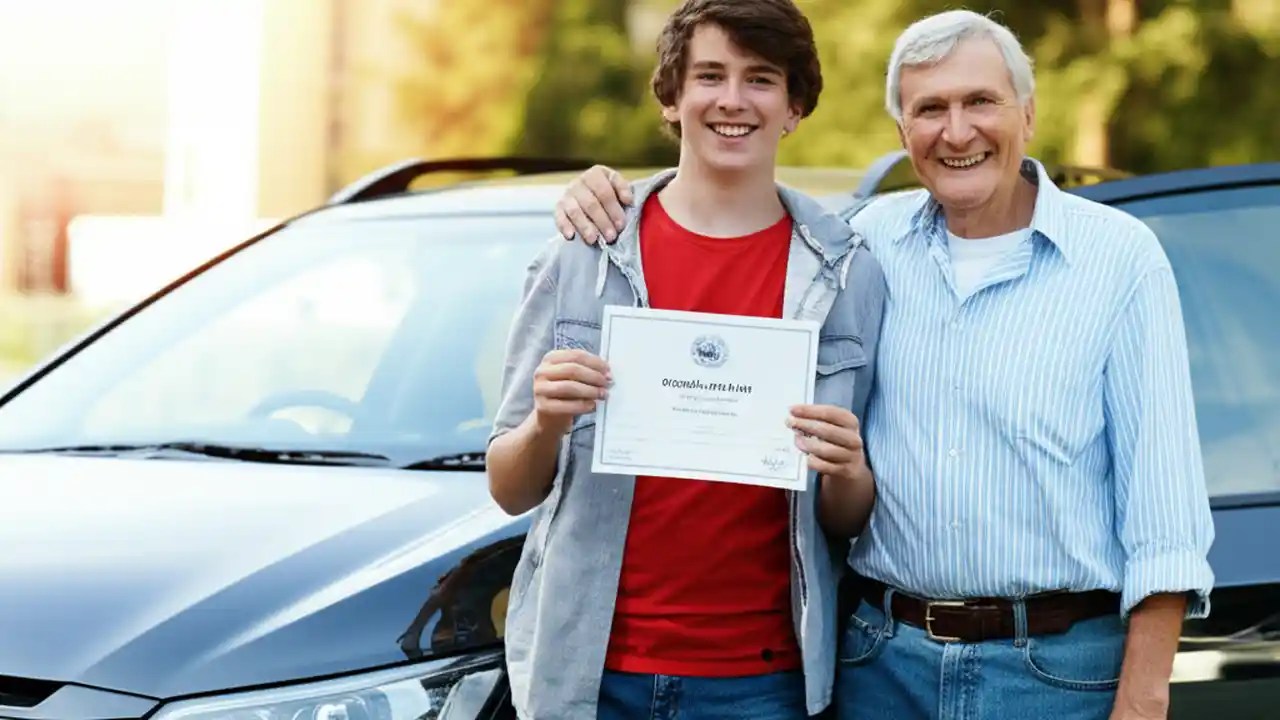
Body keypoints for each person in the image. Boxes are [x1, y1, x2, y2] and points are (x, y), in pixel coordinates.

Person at [550, 10, 1214, 720]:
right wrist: (607, 191)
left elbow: (1163, 514)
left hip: (1057, 676)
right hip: (880, 667)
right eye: (929, 109)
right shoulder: (859, 249)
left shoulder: (1121, 259)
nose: (956, 132)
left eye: (979, 101)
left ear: (1027, 113)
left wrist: (1143, 699)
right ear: (903, 133)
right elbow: (728, 203)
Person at [485, 1, 887, 718]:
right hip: (589, 671)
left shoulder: (847, 273)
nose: (733, 100)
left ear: (795, 106)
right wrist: (547, 421)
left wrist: (849, 472)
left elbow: (844, 522)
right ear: (671, 99)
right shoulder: (584, 254)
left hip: (761, 682)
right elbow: (510, 489)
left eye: (761, 79)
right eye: (709, 75)